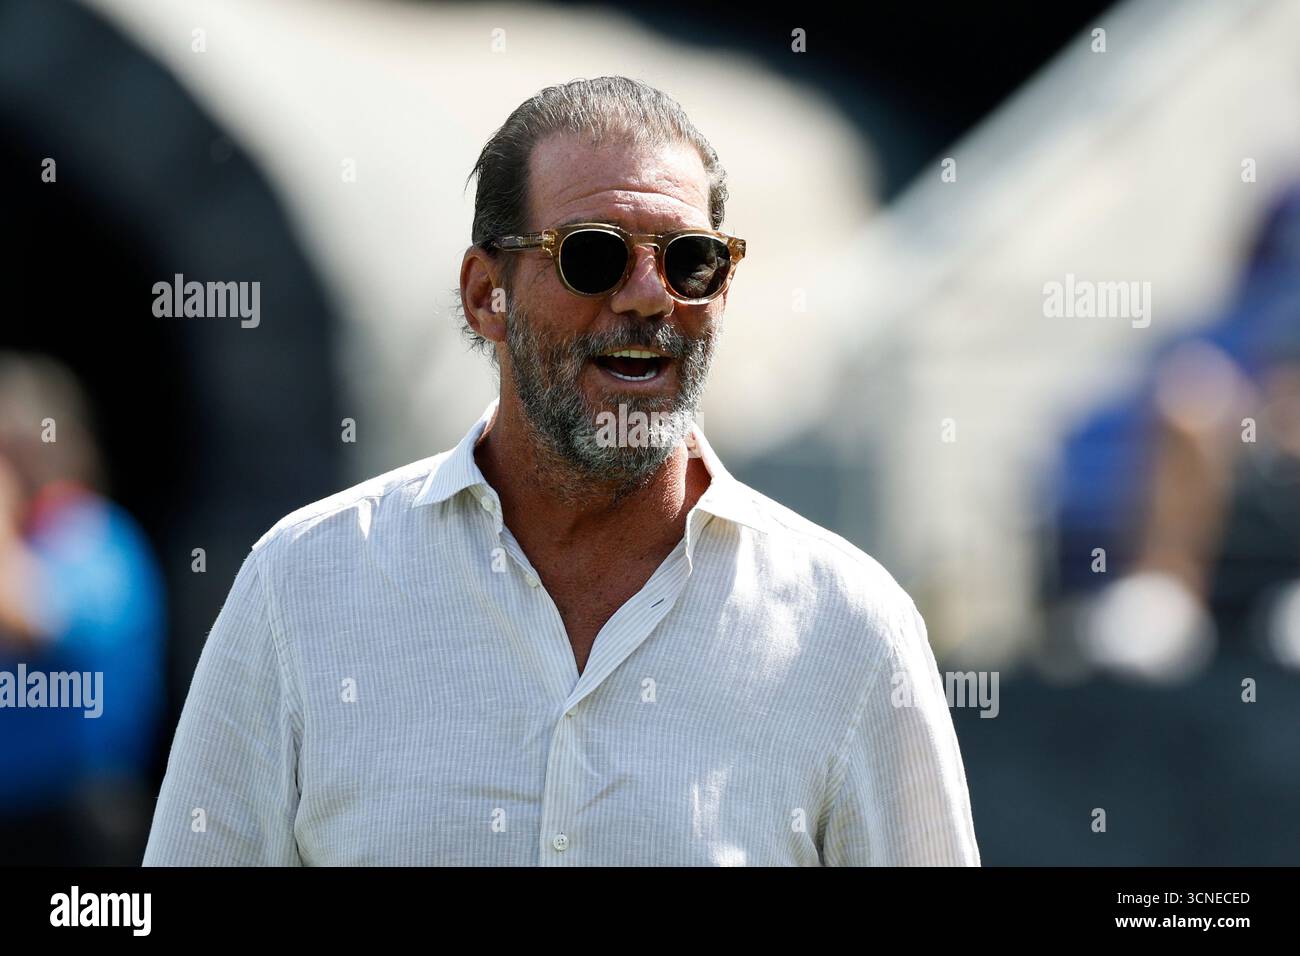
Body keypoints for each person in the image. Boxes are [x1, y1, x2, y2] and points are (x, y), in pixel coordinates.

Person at [143, 76, 979, 866]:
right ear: (485, 296)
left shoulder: (851, 632)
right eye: (593, 255)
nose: (650, 295)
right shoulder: (302, 587)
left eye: (691, 259)